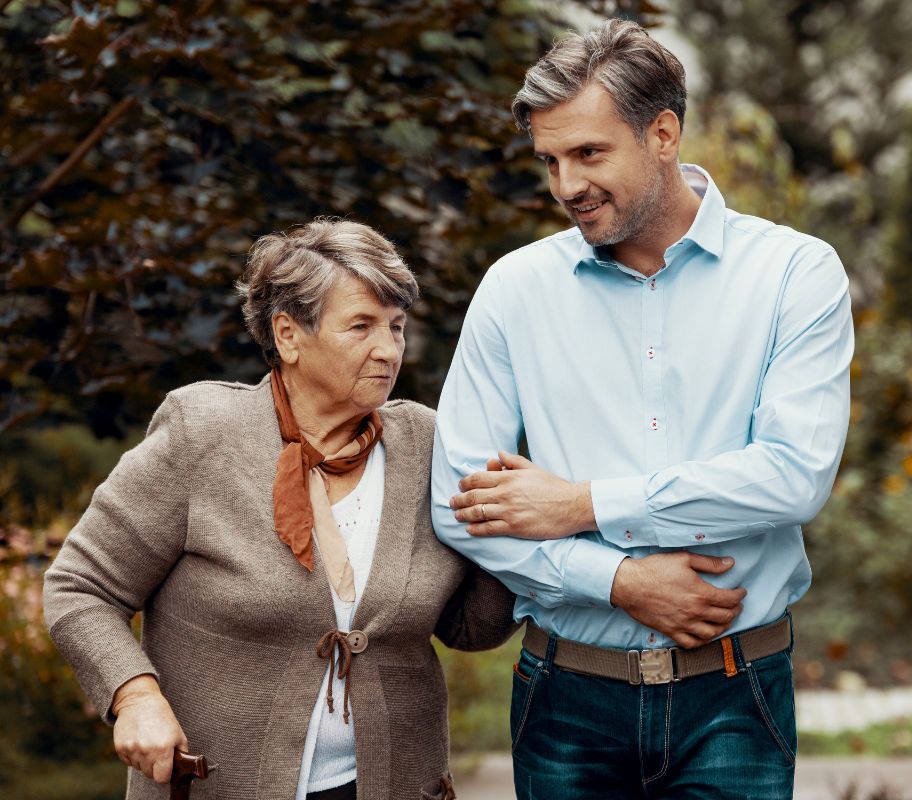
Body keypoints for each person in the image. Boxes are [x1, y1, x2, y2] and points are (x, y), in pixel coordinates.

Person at [430, 18, 855, 800]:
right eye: (550, 161)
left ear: (663, 132)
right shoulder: (516, 290)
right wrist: (617, 579)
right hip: (565, 700)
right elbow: (461, 504)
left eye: (590, 153)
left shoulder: (795, 274)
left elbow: (794, 477)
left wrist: (581, 505)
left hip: (736, 694)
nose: (566, 186)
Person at [44, 219, 515, 800]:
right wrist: (135, 696)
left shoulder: (425, 443)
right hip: (220, 784)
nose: (389, 349)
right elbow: (81, 586)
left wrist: (516, 540)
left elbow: (469, 626)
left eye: (396, 327)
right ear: (288, 336)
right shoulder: (203, 434)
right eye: (361, 326)